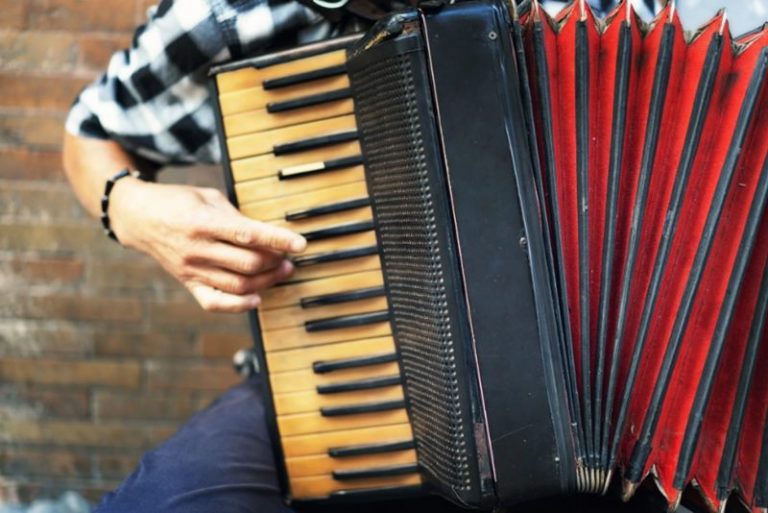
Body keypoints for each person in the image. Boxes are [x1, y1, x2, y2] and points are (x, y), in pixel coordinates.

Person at [62, 0, 670, 512]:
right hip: (345, 367)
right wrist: (132, 212)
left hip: (617, 398)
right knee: (169, 498)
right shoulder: (235, 12)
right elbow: (91, 132)